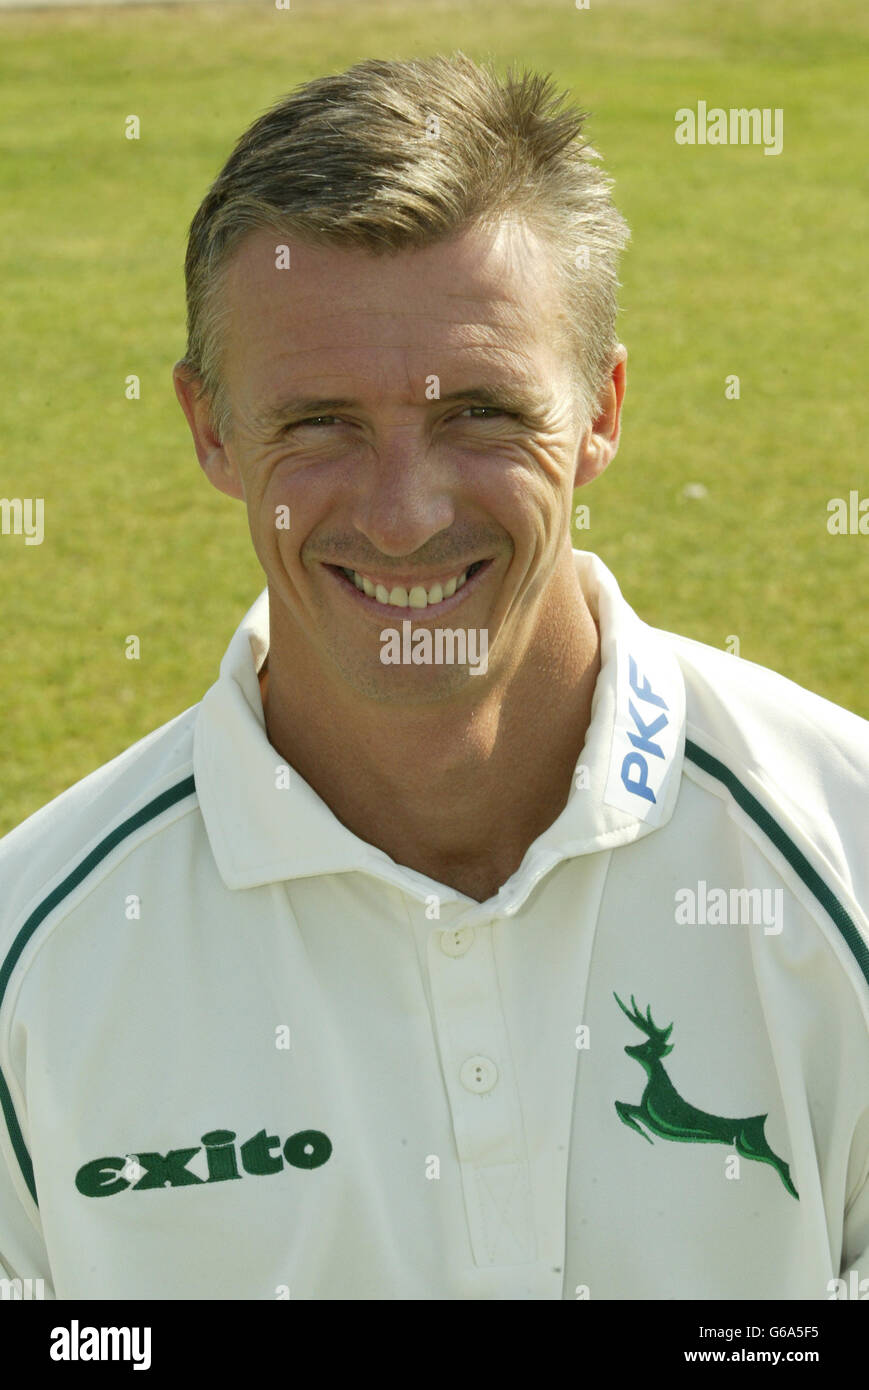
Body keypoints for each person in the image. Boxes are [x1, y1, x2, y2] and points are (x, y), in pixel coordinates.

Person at [0, 53, 866, 1302]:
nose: (403, 518)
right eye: (319, 423)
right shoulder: (38, 966)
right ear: (209, 431)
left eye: (479, 412)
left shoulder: (842, 861)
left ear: (601, 411)